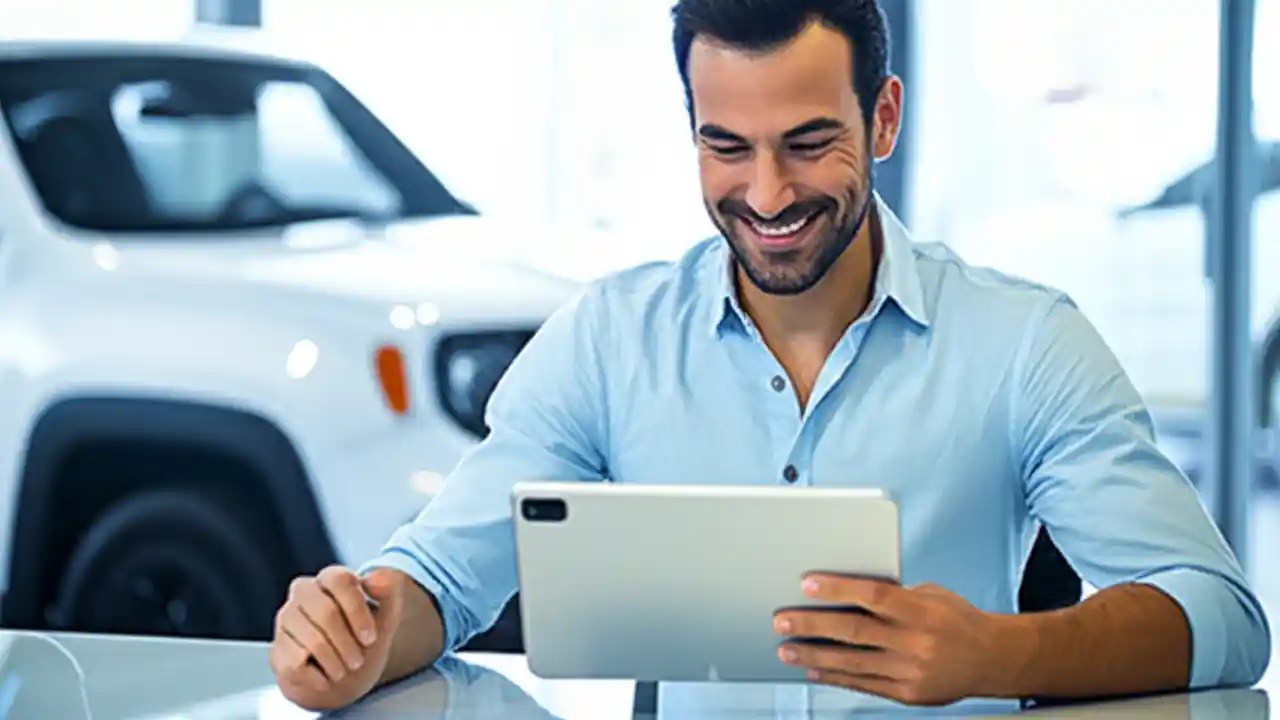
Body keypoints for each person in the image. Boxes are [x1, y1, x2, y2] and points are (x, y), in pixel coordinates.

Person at [269, 0, 1271, 711]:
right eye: (725, 146)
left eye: (805, 141)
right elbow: (440, 579)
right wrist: (354, 633)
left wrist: (996, 653)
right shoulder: (609, 338)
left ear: (881, 119)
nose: (765, 193)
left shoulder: (1023, 344)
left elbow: (1220, 617)